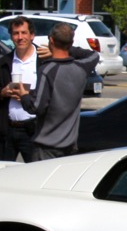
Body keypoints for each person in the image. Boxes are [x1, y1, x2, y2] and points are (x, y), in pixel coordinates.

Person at [22, 22, 98, 160]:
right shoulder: (81, 67)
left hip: (46, 148)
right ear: (71, 42)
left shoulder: (47, 70)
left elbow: (36, 107)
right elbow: (94, 55)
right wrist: (69, 48)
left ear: (51, 40)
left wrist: (23, 95)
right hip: (70, 146)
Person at [0, 16, 39, 162]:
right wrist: (2, 93)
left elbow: (51, 96)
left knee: (37, 175)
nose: (20, 37)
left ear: (32, 35)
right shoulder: (3, 63)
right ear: (11, 36)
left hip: (34, 130)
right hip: (7, 130)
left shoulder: (43, 62)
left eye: (24, 33)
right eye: (16, 33)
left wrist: (27, 95)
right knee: (2, 175)